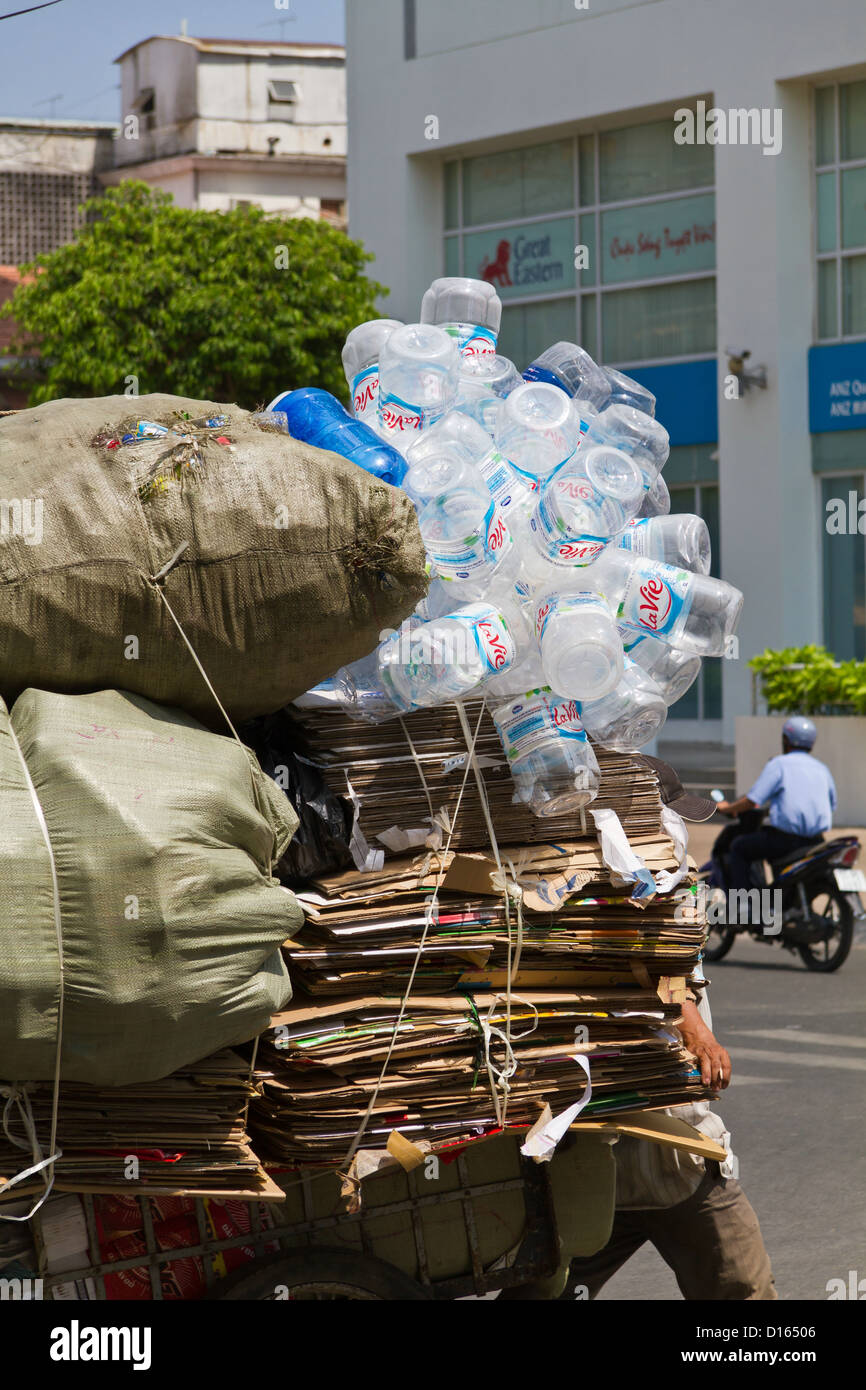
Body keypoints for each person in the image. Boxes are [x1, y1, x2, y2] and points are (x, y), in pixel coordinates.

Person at [715, 716, 837, 900]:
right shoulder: (822, 768)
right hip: (816, 842)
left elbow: (752, 800)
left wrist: (727, 808)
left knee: (739, 846)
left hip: (786, 841)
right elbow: (831, 804)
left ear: (785, 740)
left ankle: (744, 906)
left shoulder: (779, 764)